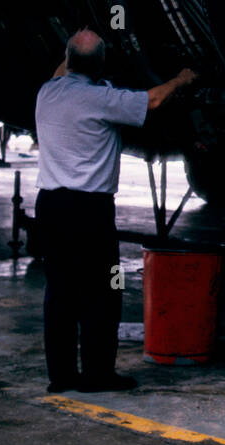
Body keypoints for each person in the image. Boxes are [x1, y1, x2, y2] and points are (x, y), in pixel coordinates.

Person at [34, 29, 196, 393]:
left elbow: (65, 70)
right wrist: (182, 79)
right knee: (100, 292)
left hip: (51, 206)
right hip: (88, 209)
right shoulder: (102, 99)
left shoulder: (48, 93)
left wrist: (74, 46)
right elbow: (152, 101)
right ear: (101, 64)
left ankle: (60, 377)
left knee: (59, 292)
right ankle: (97, 375)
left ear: (67, 60)